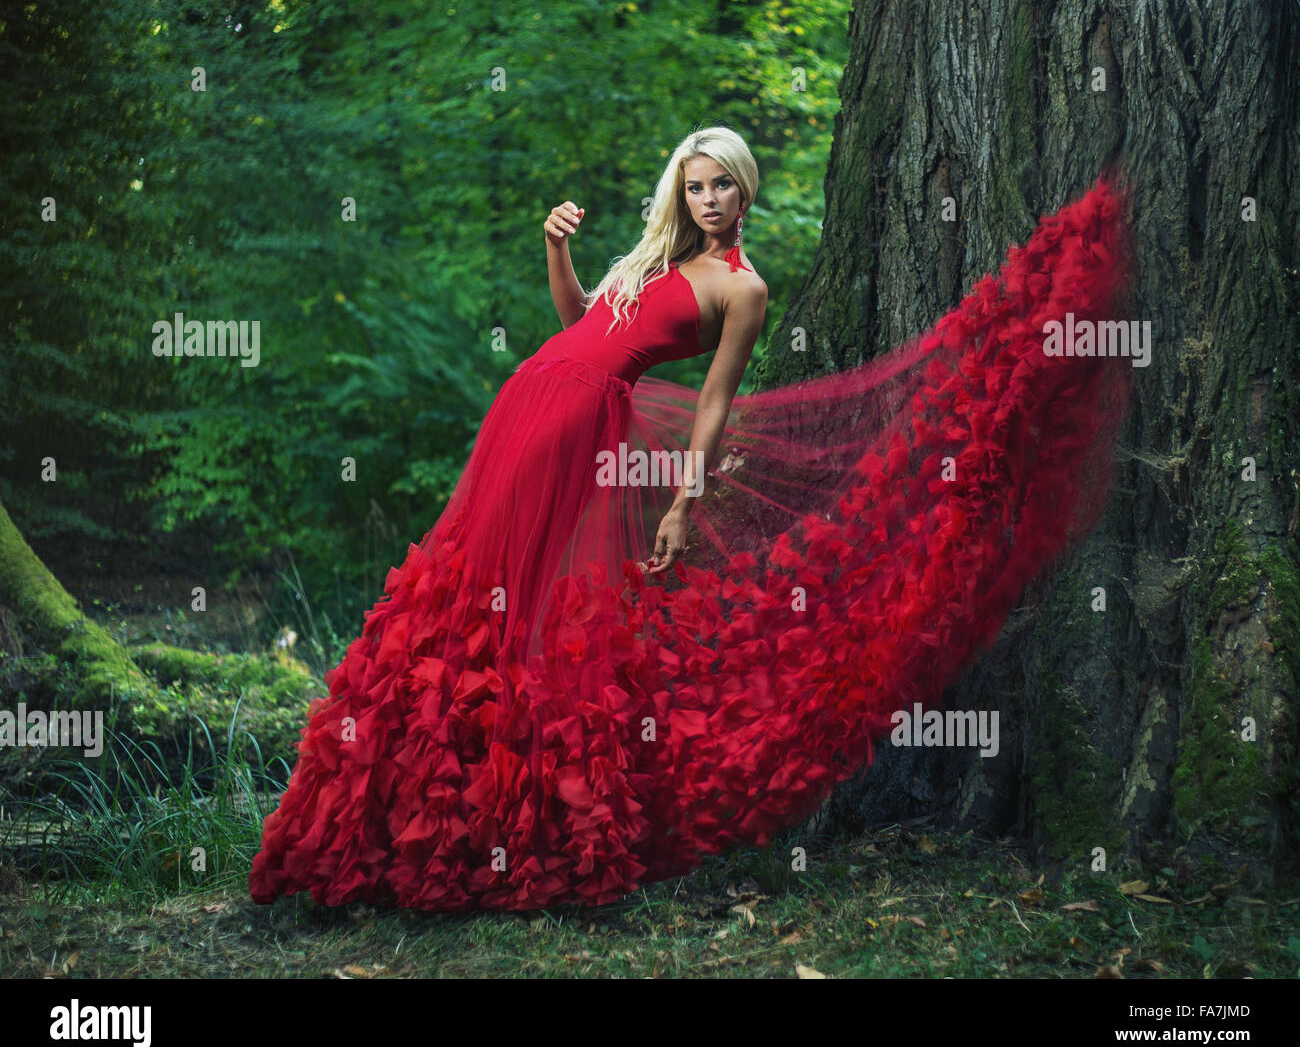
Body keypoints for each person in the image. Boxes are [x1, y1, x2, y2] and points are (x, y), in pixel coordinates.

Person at [249, 126, 1133, 913]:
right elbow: (580, 324)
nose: (709, 198)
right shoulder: (655, 259)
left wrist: (685, 497)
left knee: (511, 594)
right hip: (530, 393)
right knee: (476, 584)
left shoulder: (740, 288)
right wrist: (556, 252)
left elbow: (714, 401)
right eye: (697, 183)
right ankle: (411, 810)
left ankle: (486, 814)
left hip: (576, 419)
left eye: (724, 185)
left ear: (746, 192)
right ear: (681, 190)